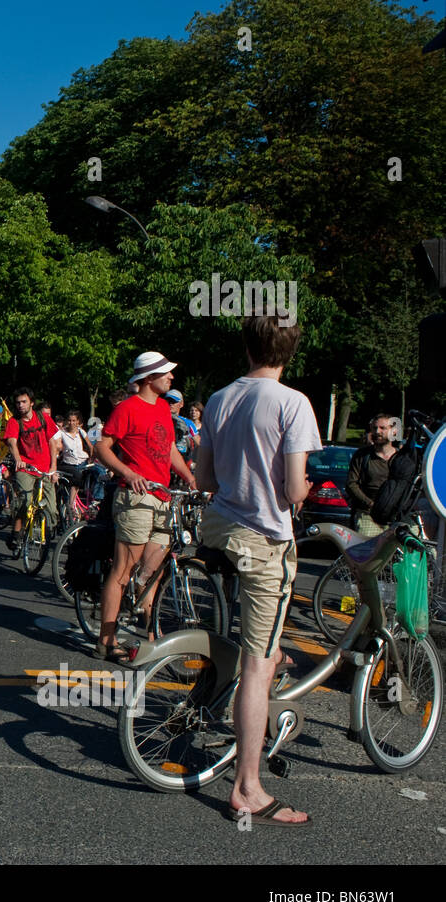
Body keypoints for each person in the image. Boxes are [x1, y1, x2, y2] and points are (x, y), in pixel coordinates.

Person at [197, 309, 320, 826]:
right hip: (265, 540)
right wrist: (308, 490)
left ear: (247, 348)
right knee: (258, 664)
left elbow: (204, 477)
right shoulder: (293, 403)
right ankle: (248, 786)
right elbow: (293, 491)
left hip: (217, 531)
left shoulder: (221, 399)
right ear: (290, 352)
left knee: (245, 638)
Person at [92, 351, 196, 661]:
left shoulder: (164, 408)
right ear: (149, 378)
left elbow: (167, 450)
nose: (171, 377)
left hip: (163, 497)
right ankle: (106, 641)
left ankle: (152, 634)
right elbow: (101, 447)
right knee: (123, 571)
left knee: (152, 571)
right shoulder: (127, 408)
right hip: (135, 498)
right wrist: (127, 472)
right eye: (166, 373)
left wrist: (190, 477)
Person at [4, 387, 61, 549]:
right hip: (26, 468)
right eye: (18, 403)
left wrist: (53, 468)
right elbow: (12, 442)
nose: (20, 405)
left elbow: (52, 443)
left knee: (51, 509)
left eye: (24, 402)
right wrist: (18, 460)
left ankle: (46, 537)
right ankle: (16, 533)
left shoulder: (42, 418)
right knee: (25, 502)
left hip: (45, 469)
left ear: (32, 403)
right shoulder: (14, 421)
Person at [347, 413, 397, 536]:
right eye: (374, 428)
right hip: (367, 515)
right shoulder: (362, 455)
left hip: (395, 516)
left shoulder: (402, 459)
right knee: (367, 551)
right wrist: (370, 503)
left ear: (394, 431)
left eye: (382, 428)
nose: (377, 431)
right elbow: (351, 484)